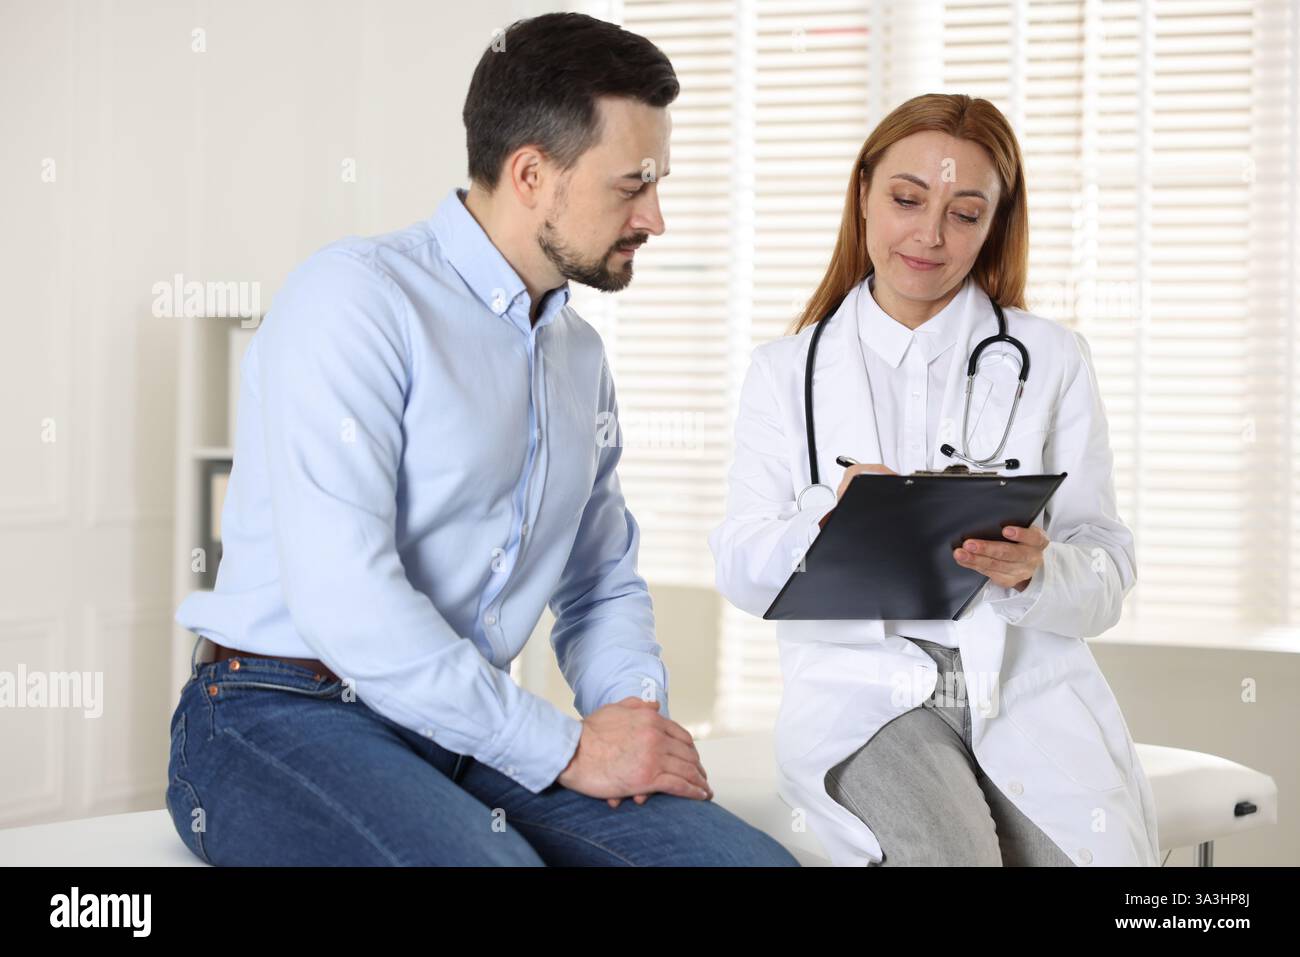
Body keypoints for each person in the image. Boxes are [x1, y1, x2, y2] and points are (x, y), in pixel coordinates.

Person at [165, 11, 797, 867]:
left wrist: (630, 719)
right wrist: (569, 747)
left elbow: (599, 578)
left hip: (459, 727)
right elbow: (349, 597)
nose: (657, 217)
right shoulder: (355, 300)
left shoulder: (579, 357)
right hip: (276, 708)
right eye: (632, 184)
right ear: (531, 173)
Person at [708, 93, 1160, 866]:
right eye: (907, 199)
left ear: (994, 225)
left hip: (1020, 683)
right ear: (863, 195)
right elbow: (740, 567)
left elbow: (1107, 571)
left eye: (964, 211)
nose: (929, 234)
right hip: (863, 695)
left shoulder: (1051, 361)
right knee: (949, 854)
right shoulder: (785, 374)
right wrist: (826, 522)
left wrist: (1037, 571)